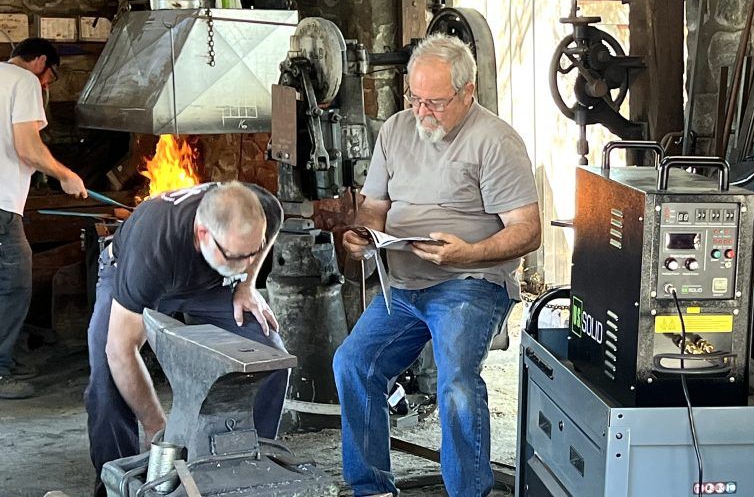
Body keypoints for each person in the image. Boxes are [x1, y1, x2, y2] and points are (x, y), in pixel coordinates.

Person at [334, 33, 540, 497]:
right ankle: (371, 489)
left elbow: (528, 231)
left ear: (469, 92)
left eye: (436, 103)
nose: (422, 112)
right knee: (352, 363)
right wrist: (363, 234)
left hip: (468, 281)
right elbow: (374, 205)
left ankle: (469, 491)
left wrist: (465, 253)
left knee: (456, 387)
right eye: (415, 98)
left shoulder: (496, 141)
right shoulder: (395, 129)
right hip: (403, 283)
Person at [84, 181, 286, 490]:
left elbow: (274, 218)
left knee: (268, 357)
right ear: (203, 233)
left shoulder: (258, 206)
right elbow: (120, 349)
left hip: (209, 282)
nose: (245, 263)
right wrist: (157, 427)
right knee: (107, 373)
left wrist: (246, 284)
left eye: (252, 253)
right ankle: (115, 483)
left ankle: (242, 470)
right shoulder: (152, 247)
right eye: (237, 255)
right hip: (129, 272)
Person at [0, 37, 87, 400]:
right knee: (15, 280)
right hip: (1, 203)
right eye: (50, 76)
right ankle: (2, 369)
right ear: (39, 62)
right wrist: (66, 175)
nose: (47, 85)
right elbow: (28, 147)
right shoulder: (24, 81)